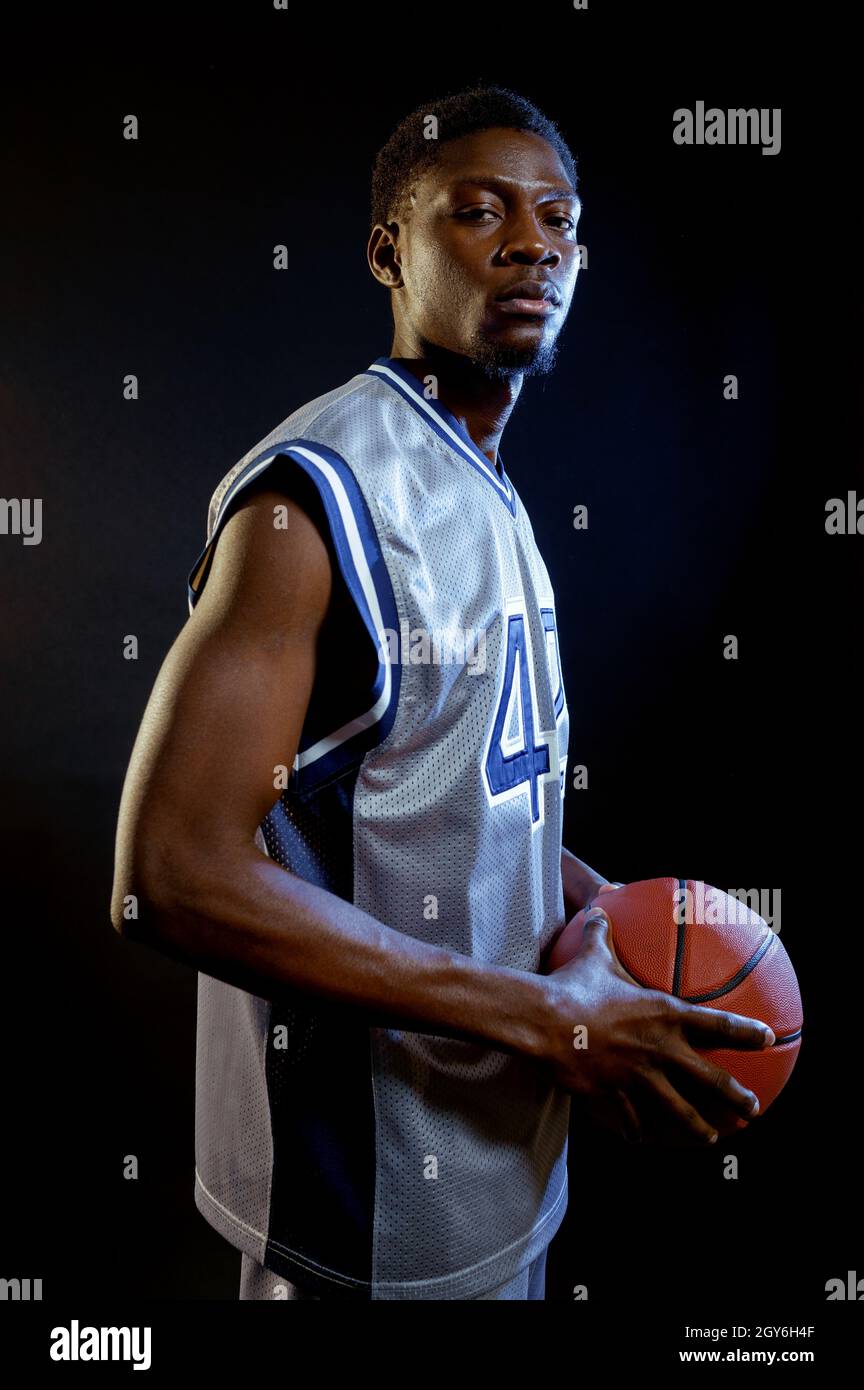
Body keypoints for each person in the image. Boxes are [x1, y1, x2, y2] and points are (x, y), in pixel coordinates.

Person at [110, 85, 771, 1302]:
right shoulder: (315, 497)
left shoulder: (485, 481)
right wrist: (544, 1017)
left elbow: (449, 793)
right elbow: (172, 875)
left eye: (560, 219)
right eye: (479, 212)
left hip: (503, 1170)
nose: (534, 243)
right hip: (357, 1214)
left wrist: (602, 914)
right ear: (388, 250)